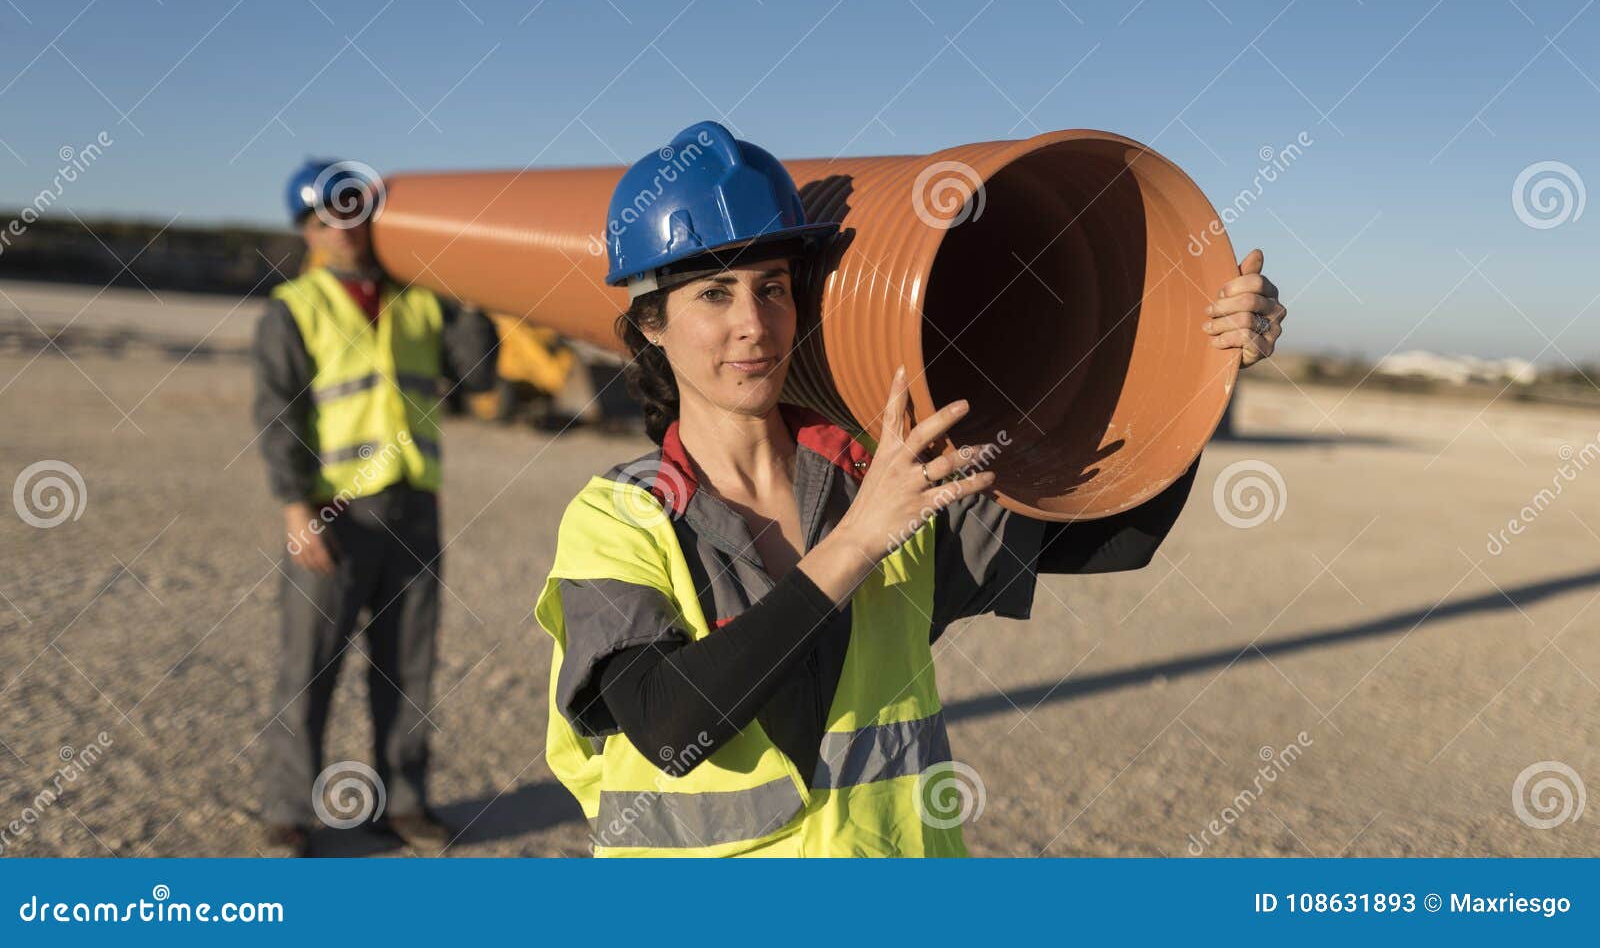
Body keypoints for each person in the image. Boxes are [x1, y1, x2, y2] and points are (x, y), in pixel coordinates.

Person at [533, 122, 1285, 857]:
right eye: (714, 295)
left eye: (773, 288)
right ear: (651, 321)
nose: (754, 324)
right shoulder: (623, 517)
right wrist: (859, 539)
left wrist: (1197, 369)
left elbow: (1117, 540)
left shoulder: (881, 475)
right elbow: (669, 726)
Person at [253, 159, 498, 856]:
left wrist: (471, 296)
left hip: (415, 507)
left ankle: (404, 803)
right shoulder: (294, 308)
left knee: (408, 670)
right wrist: (295, 510)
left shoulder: (423, 300)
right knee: (309, 667)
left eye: (353, 214)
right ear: (307, 229)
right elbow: (279, 415)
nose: (344, 229)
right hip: (334, 514)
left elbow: (479, 376)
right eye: (327, 218)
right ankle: (288, 811)